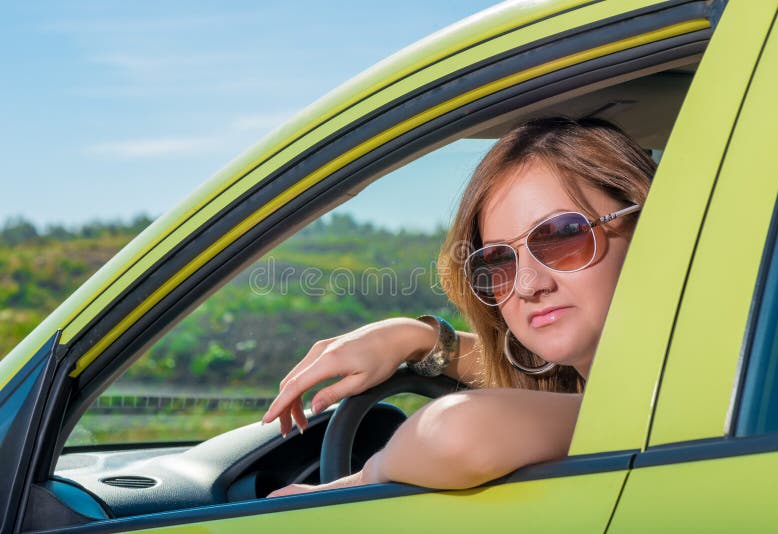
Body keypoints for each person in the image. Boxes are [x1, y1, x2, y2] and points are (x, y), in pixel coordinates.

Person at [261, 116, 655, 496]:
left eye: (561, 236)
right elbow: (530, 376)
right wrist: (420, 339)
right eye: (498, 261)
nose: (528, 284)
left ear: (647, 223)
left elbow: (454, 431)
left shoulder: (667, 399)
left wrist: (363, 481)